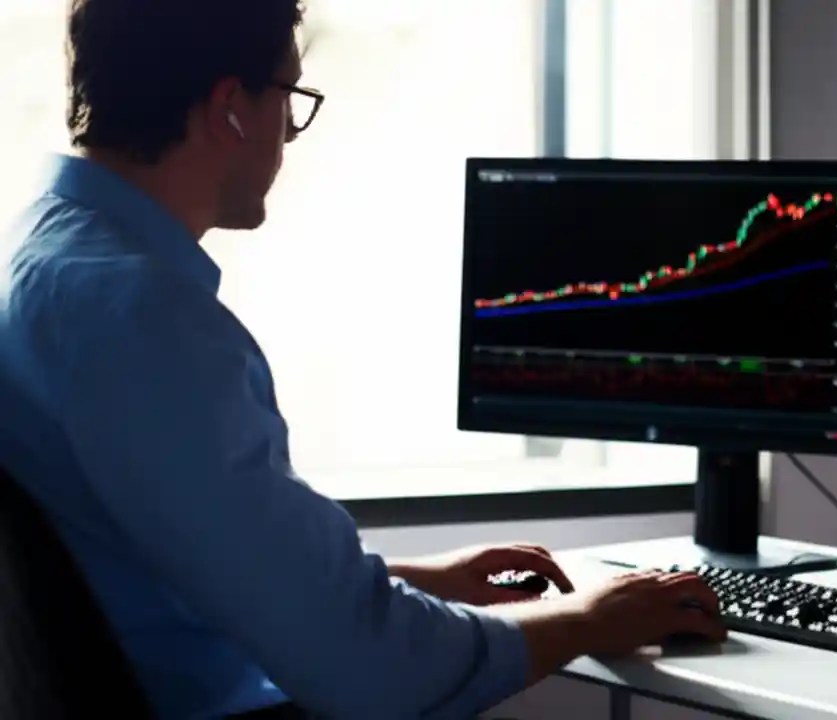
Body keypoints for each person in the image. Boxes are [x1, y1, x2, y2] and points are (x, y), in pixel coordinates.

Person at [0, 1, 726, 718]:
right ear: (230, 109)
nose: (289, 130)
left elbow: (199, 561)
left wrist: (424, 581)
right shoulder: (143, 318)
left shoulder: (49, 260)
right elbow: (369, 667)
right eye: (290, 98)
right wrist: (593, 620)